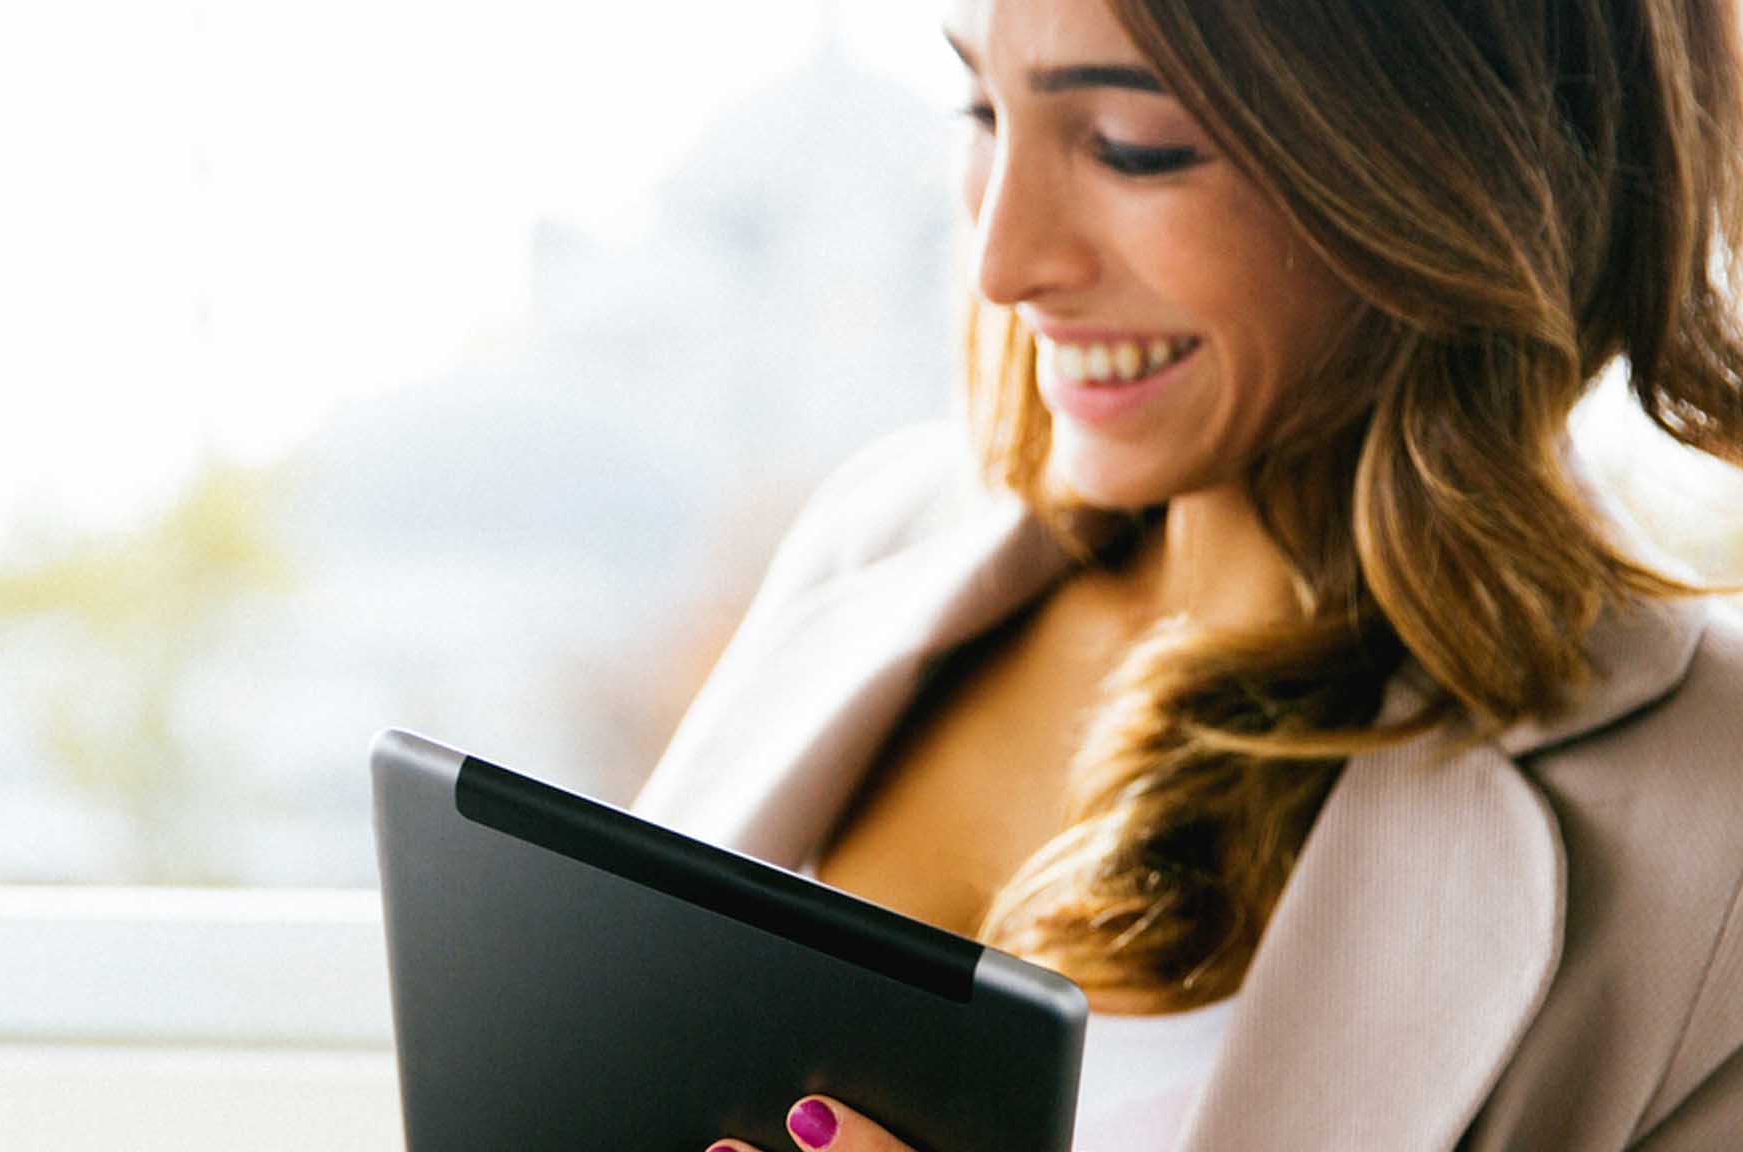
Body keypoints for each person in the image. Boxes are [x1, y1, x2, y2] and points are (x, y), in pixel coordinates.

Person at [629, 0, 1743, 1149]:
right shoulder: (875, 535)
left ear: (1445, 155)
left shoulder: (1717, 832)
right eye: (981, 109)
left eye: (1130, 144)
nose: (1004, 264)